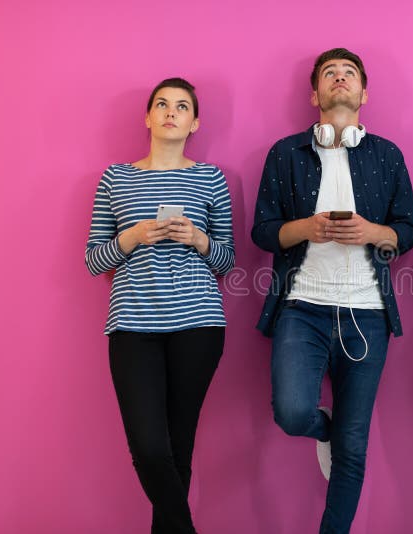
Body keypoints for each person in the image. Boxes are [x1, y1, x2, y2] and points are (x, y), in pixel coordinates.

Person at [251, 48, 413, 533]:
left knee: (355, 445)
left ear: (364, 93)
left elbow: (406, 230)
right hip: (301, 309)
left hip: (367, 313)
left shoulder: (388, 155)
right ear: (315, 94)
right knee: (291, 412)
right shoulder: (285, 152)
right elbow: (263, 232)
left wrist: (373, 233)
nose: (339, 79)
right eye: (330, 73)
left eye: (349, 74)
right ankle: (324, 428)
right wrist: (306, 228)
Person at [85, 77, 234, 534]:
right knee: (150, 447)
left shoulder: (210, 177)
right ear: (147, 117)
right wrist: (129, 238)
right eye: (163, 105)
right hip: (132, 325)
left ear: (195, 123)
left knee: (178, 447)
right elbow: (94, 260)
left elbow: (227, 260)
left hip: (198, 326)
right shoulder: (116, 177)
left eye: (182, 107)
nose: (171, 112)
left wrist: (198, 238)